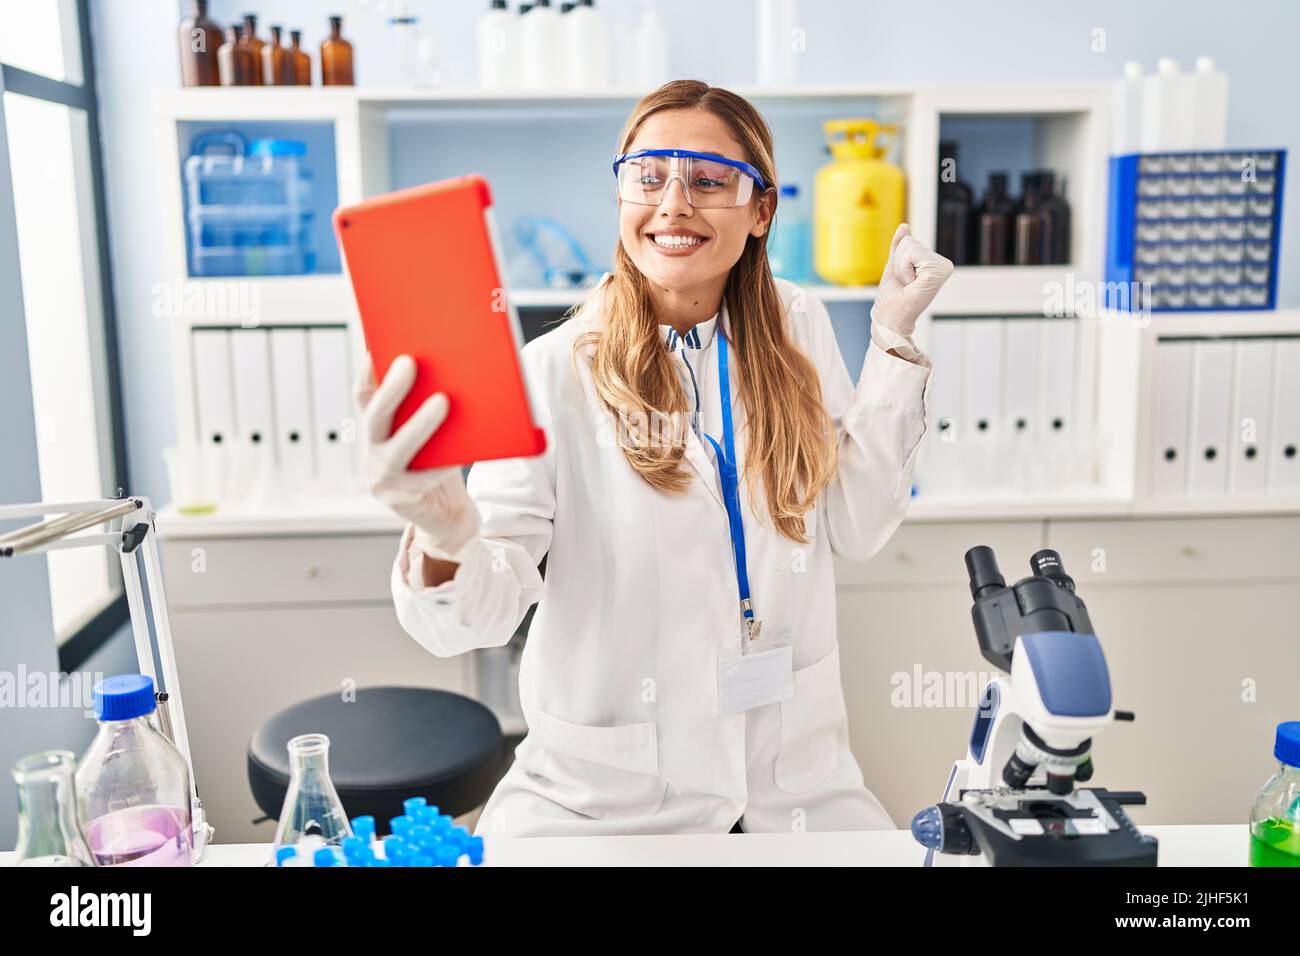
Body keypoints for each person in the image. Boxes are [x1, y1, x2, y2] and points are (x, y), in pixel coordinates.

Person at [356, 80, 953, 837]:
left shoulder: (798, 324)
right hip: (601, 805)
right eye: (648, 175)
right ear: (622, 195)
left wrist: (894, 340)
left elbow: (858, 525)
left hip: (792, 788)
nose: (673, 202)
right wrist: (447, 536)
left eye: (708, 179)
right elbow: (473, 618)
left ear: (761, 209)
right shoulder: (553, 371)